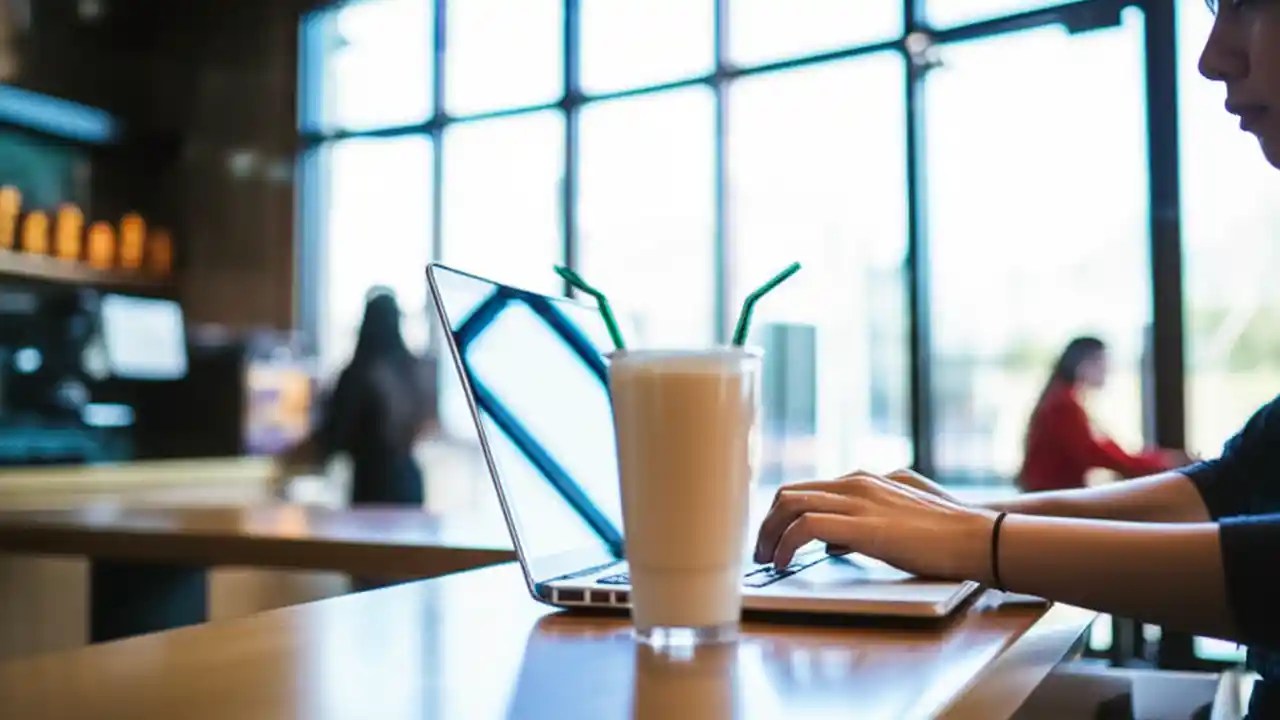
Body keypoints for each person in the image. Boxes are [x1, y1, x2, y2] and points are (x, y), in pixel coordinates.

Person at [755, 6, 1280, 717]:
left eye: (1251, 2)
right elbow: (1235, 486)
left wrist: (971, 534)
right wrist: (950, 518)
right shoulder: (1064, 406)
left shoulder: (1064, 403)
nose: (1211, 58)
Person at [277, 288, 436, 507]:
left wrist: (291, 457)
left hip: (373, 485)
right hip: (410, 481)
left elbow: (337, 432)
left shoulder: (359, 372)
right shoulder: (411, 370)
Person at [1019, 336, 1187, 492]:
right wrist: (1162, 463)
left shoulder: (1066, 399)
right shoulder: (1063, 404)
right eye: (1101, 362)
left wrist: (1157, 460)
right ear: (1083, 364)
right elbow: (1098, 454)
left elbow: (1107, 450)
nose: (1107, 370)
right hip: (1051, 501)